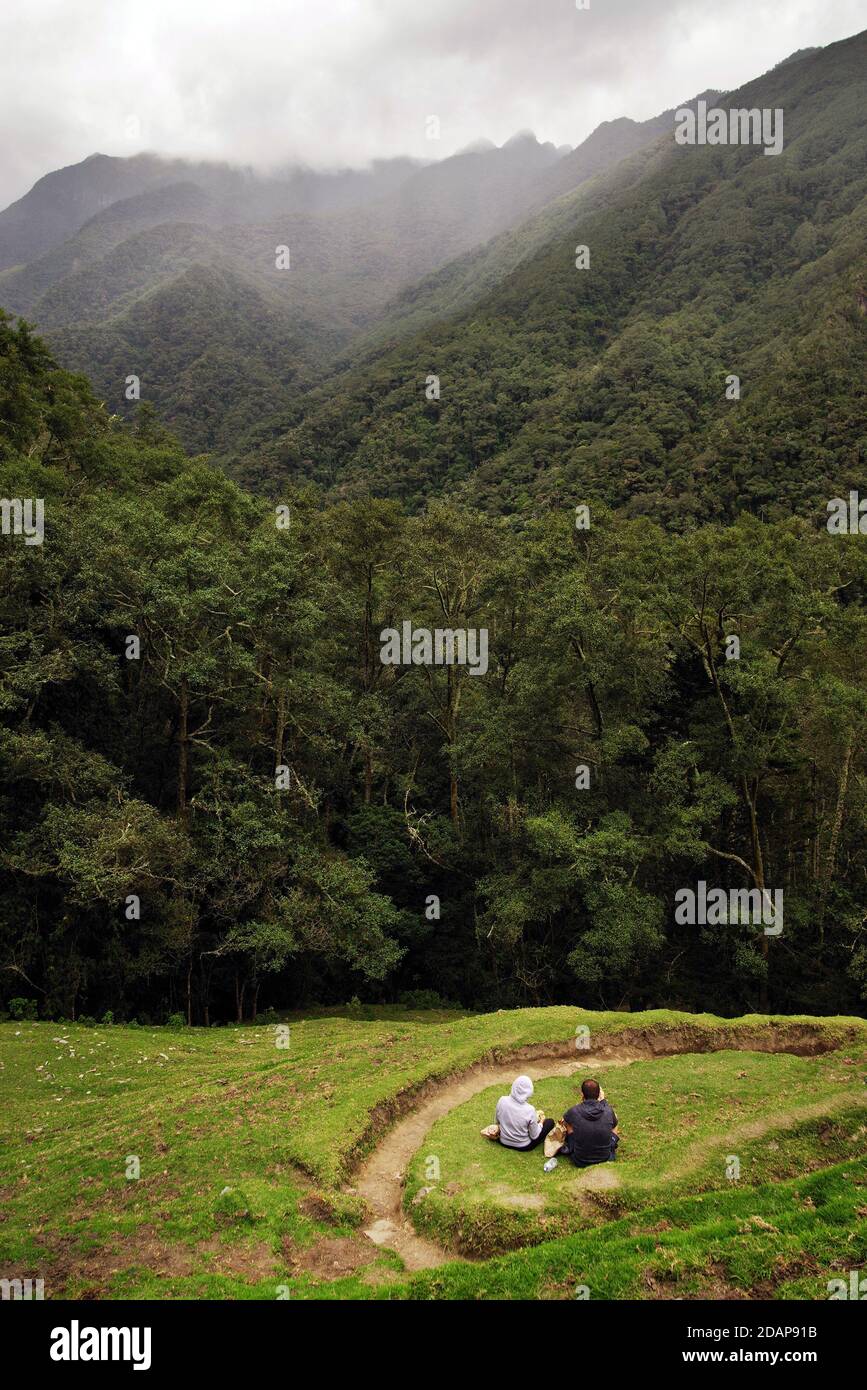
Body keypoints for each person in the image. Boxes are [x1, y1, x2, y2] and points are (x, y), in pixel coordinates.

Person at [561, 1078, 620, 1167]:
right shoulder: (608, 1111)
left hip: (580, 1160)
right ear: (599, 1094)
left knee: (568, 1122)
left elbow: (565, 1120)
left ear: (582, 1094)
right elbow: (613, 1122)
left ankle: (572, 1145)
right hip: (606, 1158)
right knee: (614, 1118)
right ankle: (612, 1143)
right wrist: (603, 1101)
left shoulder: (574, 1111)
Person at [495, 1075, 556, 1151]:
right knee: (550, 1122)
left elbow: (496, 1122)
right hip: (523, 1146)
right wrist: (541, 1122)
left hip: (503, 1141)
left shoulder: (502, 1100)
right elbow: (534, 1135)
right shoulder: (530, 1110)